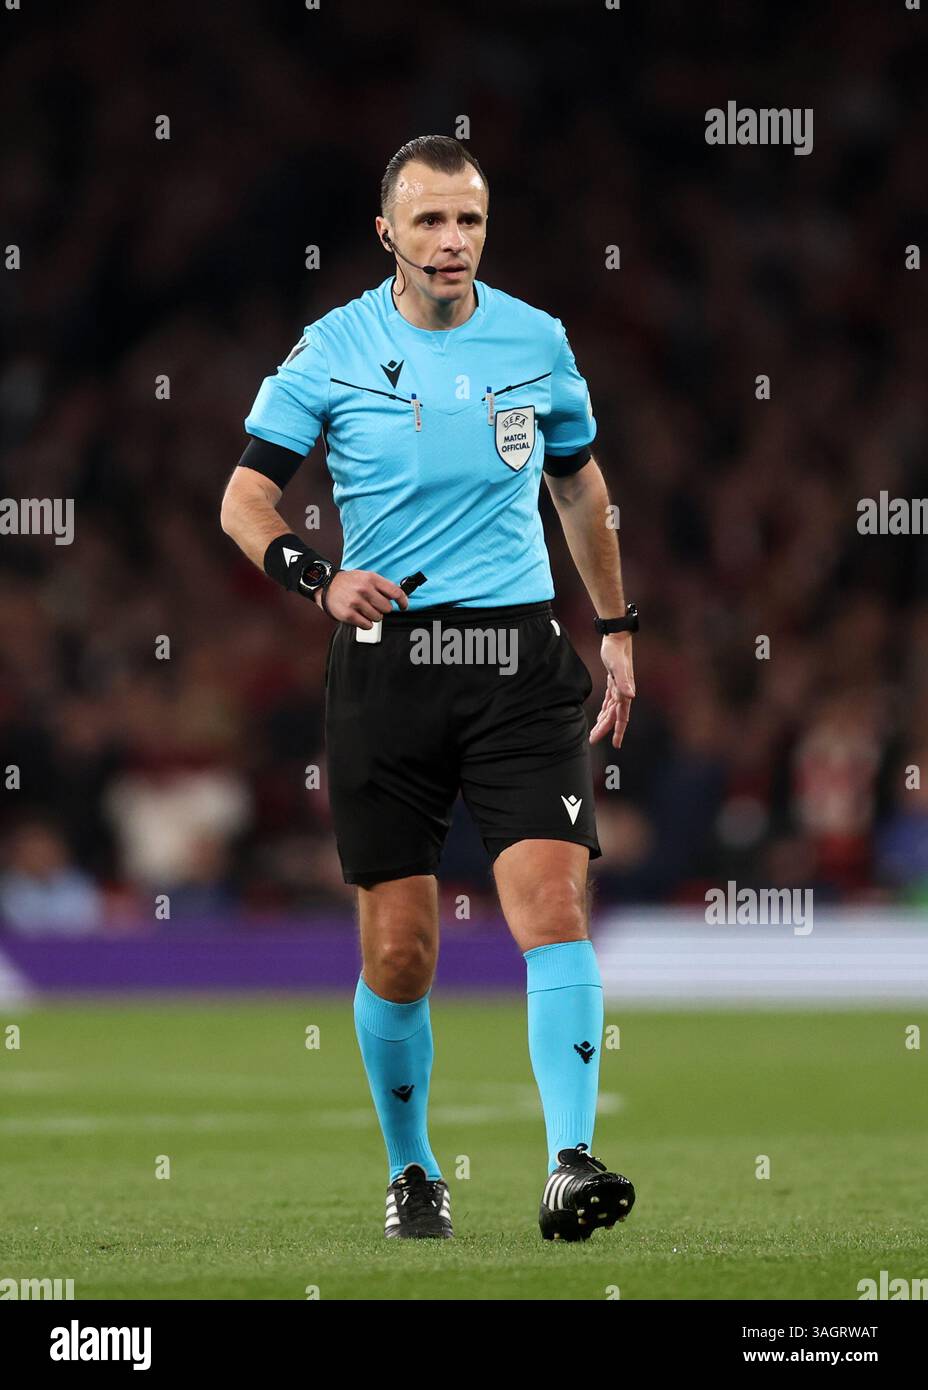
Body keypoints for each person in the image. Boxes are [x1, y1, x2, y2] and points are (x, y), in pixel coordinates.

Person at [221, 135, 637, 1241]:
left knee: (552, 909)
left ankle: (569, 1160)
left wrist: (616, 626)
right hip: (388, 667)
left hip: (515, 663)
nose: (452, 243)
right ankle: (413, 1170)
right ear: (386, 235)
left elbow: (581, 491)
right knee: (400, 953)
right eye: (430, 223)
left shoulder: (536, 341)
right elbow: (244, 499)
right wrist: (316, 574)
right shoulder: (330, 349)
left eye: (469, 223)